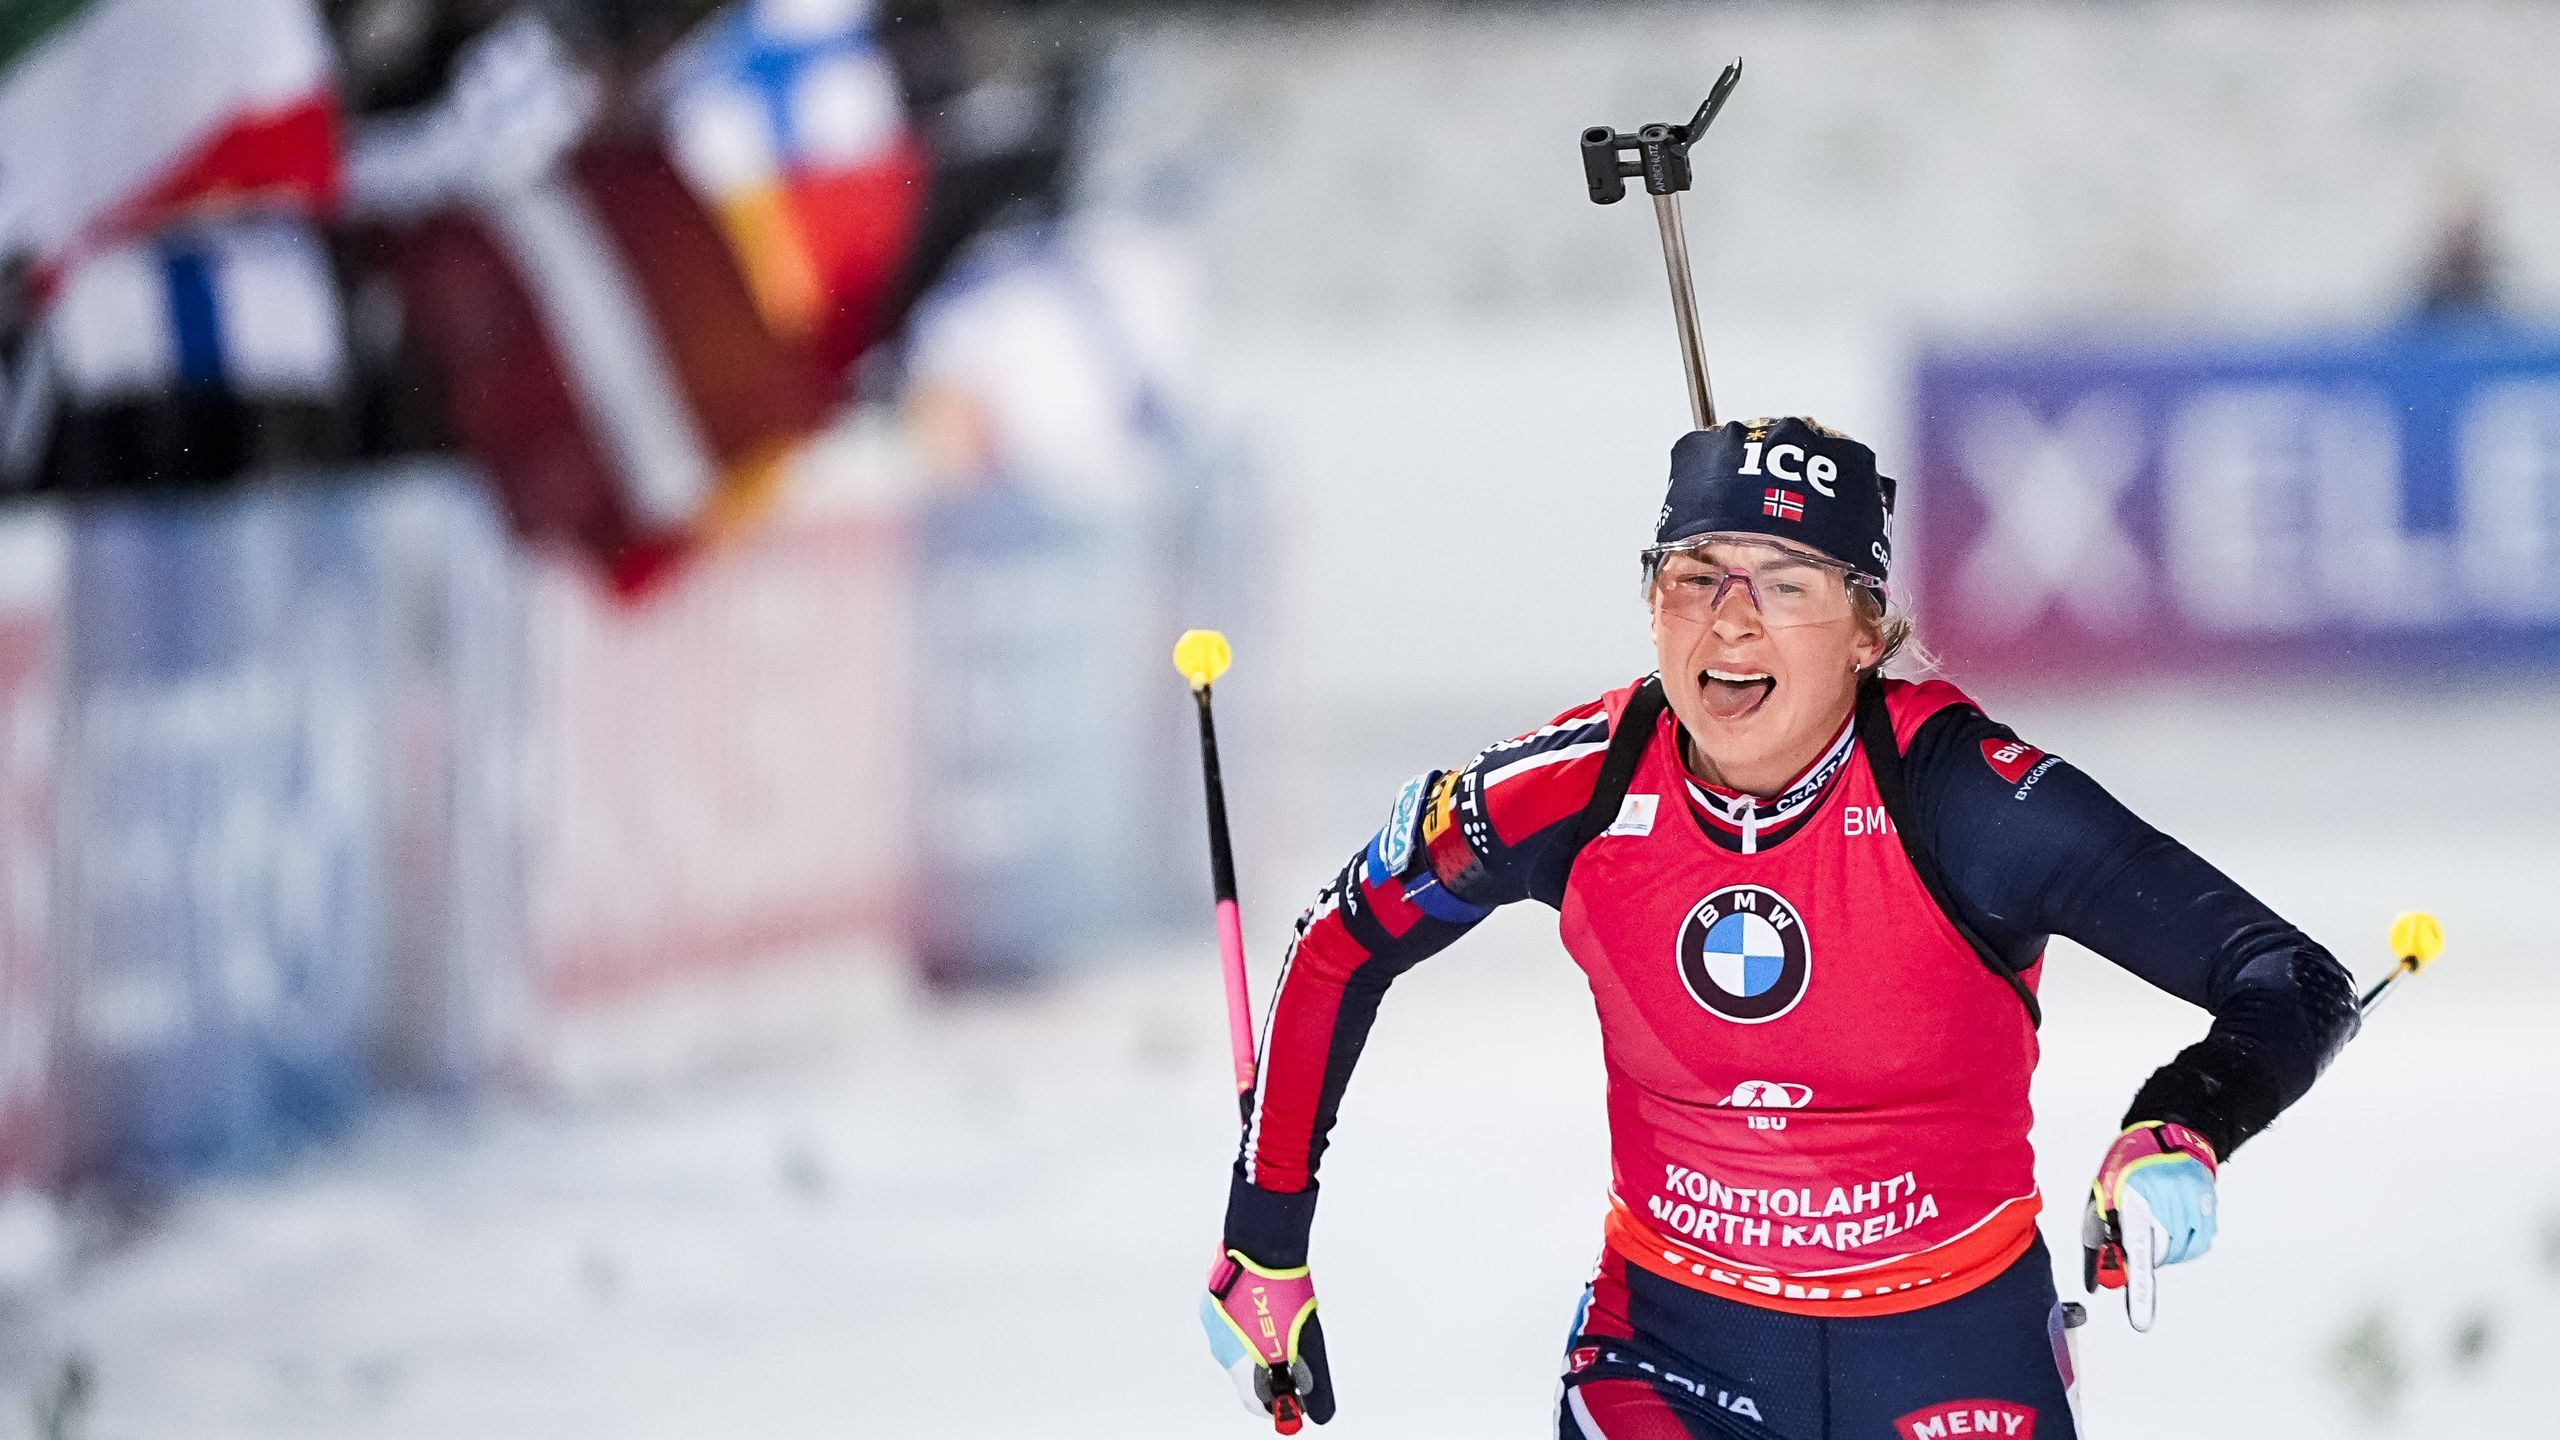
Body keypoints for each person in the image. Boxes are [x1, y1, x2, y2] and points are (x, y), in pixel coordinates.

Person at [1197, 417, 2362, 1438]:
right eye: (1695, 578)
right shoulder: (1576, 787)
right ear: (1650, 606)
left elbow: (2288, 977)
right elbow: (1341, 938)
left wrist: (2178, 1125)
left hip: (1952, 1361)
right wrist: (1263, 1238)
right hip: (1670, 1359)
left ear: (1868, 635)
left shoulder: (1968, 802)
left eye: (1787, 584)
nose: (1731, 623)